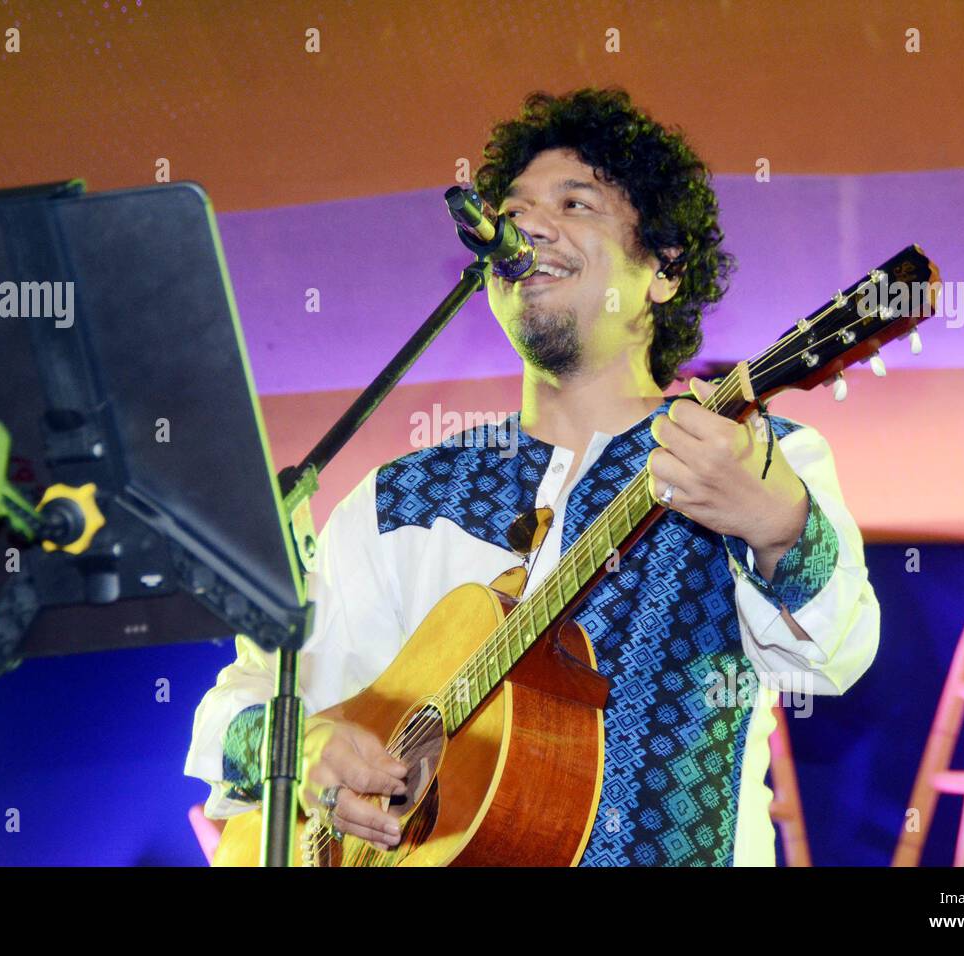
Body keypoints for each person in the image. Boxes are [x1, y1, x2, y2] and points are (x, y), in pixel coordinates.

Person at [185, 87, 879, 866]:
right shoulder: (400, 499)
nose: (528, 227)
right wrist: (307, 750)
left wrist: (780, 525)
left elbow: (834, 656)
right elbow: (234, 716)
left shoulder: (749, 453)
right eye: (514, 210)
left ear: (663, 269)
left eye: (576, 204)